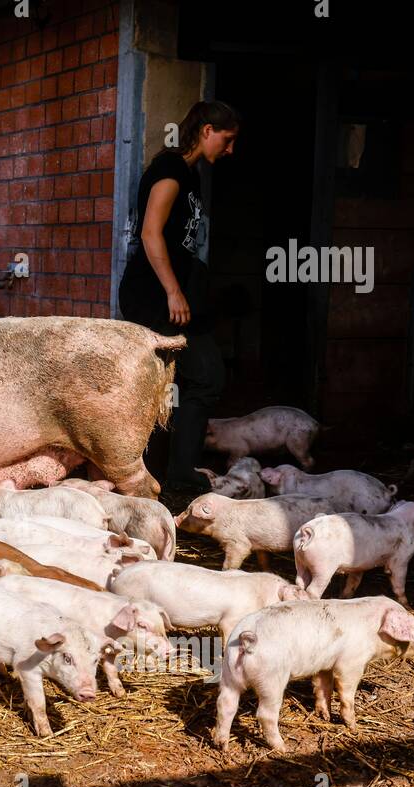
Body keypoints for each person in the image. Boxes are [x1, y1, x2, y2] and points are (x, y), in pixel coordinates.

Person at [118, 100, 239, 497]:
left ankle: (171, 473)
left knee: (190, 379)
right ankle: (171, 474)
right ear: (207, 130)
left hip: (173, 294)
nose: (230, 149)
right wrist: (173, 291)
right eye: (228, 139)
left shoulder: (190, 174)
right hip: (153, 296)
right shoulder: (171, 171)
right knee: (203, 376)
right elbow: (151, 233)